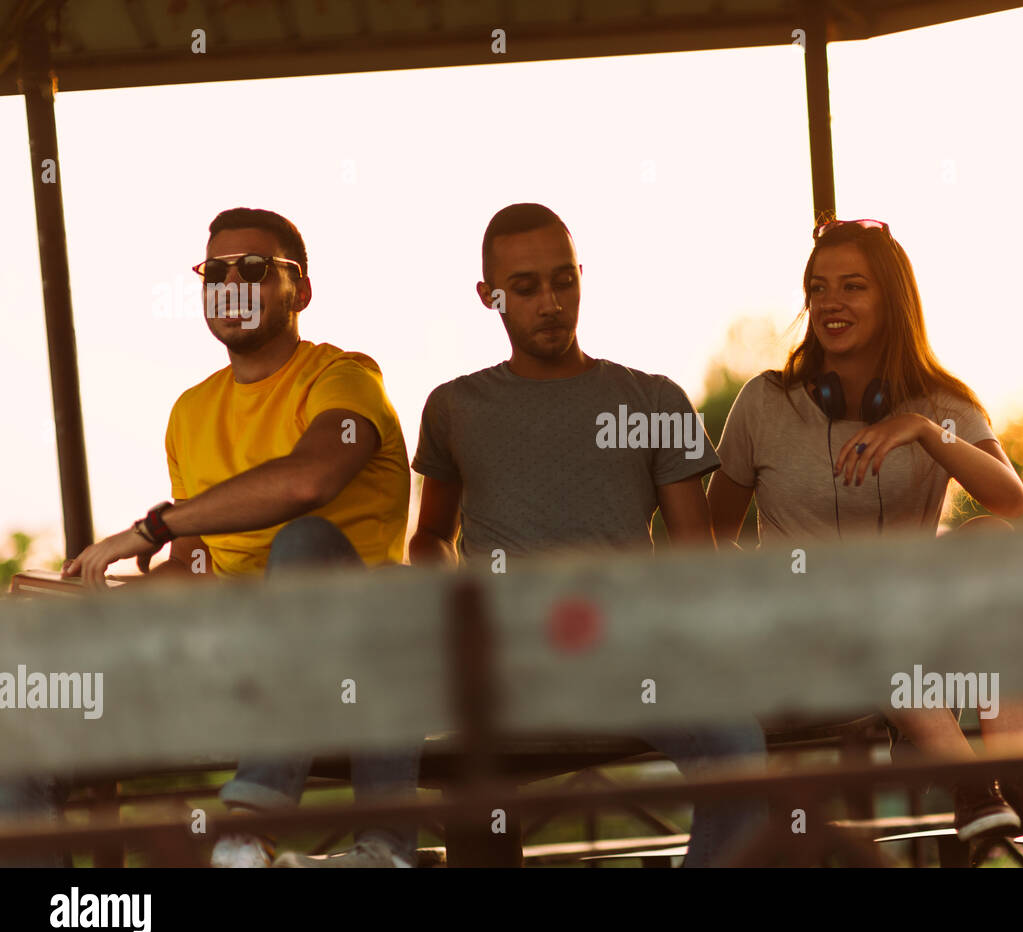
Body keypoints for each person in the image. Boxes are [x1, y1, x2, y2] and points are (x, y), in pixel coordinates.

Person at [409, 202, 768, 866]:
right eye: (525, 287)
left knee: (739, 749)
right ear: (489, 296)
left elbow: (697, 561)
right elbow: (430, 535)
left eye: (563, 280)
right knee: (471, 799)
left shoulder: (655, 400)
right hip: (509, 671)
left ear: (581, 276)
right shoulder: (453, 407)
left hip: (631, 659)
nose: (550, 302)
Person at [706, 218, 1023, 842]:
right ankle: (971, 785)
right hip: (806, 634)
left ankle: (1013, 774)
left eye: (853, 286)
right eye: (819, 287)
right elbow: (713, 531)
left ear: (892, 298)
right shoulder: (764, 402)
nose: (831, 302)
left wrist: (924, 432)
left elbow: (1010, 499)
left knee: (995, 541)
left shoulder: (942, 403)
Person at [63, 207, 422, 867]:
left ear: (301, 291)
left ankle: (259, 824)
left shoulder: (344, 377)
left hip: (362, 655)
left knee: (305, 543)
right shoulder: (191, 411)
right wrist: (97, 599)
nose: (231, 283)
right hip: (238, 661)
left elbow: (307, 482)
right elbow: (196, 569)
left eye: (255, 269)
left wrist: (153, 525)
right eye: (214, 271)